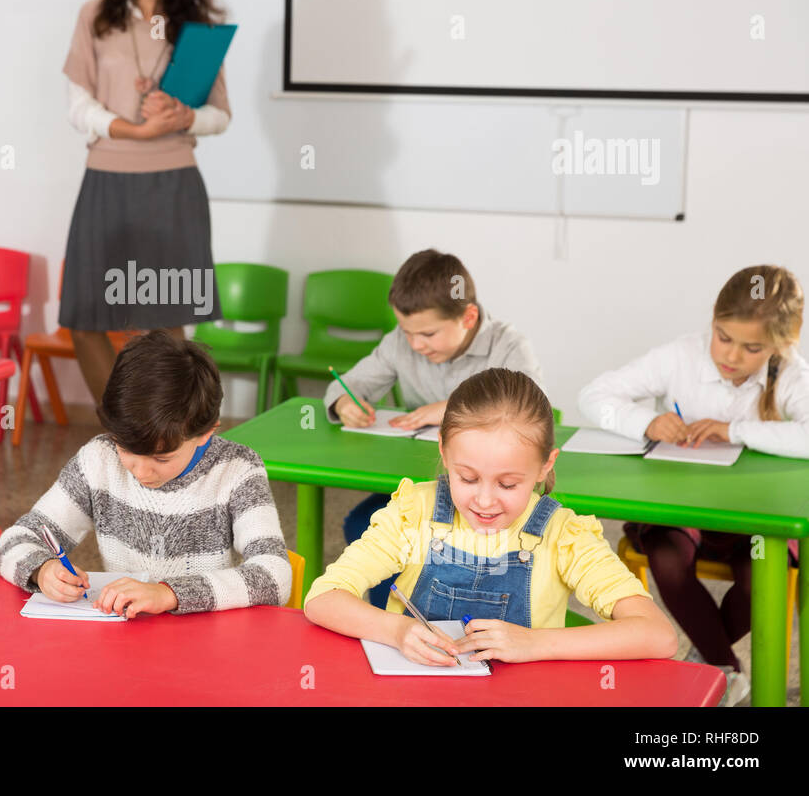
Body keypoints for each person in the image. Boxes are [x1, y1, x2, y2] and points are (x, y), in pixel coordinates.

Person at [305, 368, 675, 668]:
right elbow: (322, 598)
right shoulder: (412, 513)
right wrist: (397, 630)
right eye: (466, 478)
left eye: (508, 483)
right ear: (444, 454)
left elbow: (658, 635)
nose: (484, 500)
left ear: (545, 466)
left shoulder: (564, 535)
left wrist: (534, 643)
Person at [578, 264, 808, 704]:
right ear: (712, 324)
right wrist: (647, 421)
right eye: (723, 337)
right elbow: (594, 394)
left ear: (780, 343)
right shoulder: (680, 355)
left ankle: (709, 661)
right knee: (666, 559)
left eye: (752, 347)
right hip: (681, 507)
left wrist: (734, 430)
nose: (732, 356)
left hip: (754, 514)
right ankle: (724, 669)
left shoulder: (793, 374)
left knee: (763, 574)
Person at [60, 0, 230, 402]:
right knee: (86, 316)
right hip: (106, 180)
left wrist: (183, 118)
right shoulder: (95, 15)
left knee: (164, 322)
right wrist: (129, 131)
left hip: (172, 184)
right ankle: (122, 430)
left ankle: (168, 436)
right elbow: (78, 105)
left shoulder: (198, 28)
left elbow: (220, 115)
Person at [0, 331, 290, 617]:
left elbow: (274, 575)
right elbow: (16, 539)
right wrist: (42, 570)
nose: (141, 471)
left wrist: (168, 593)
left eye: (162, 458)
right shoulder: (99, 459)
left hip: (203, 646)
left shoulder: (237, 469)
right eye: (126, 450)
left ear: (205, 433)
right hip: (126, 642)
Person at [324, 248, 543, 605]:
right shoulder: (401, 342)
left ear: (468, 316)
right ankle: (396, 619)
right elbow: (346, 384)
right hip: (423, 482)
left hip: (487, 491)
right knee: (362, 524)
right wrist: (345, 403)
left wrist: (450, 411)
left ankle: (444, 613)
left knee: (444, 541)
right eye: (407, 331)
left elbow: (535, 411)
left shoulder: (509, 346)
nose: (415, 344)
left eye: (427, 333)